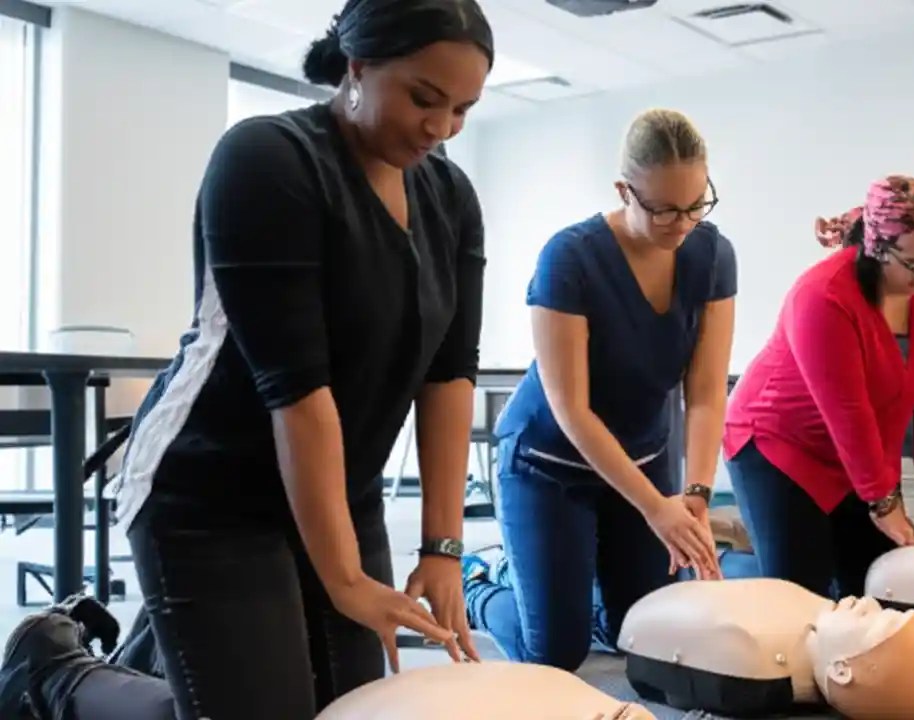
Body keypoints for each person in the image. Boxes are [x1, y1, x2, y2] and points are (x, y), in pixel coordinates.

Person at [0, 2, 494, 719]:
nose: (441, 127)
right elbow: (297, 392)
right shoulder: (268, 160)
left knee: (350, 711)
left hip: (340, 493)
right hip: (210, 493)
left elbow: (450, 372)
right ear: (355, 67)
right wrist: (347, 583)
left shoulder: (450, 196)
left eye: (462, 109)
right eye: (424, 98)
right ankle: (51, 672)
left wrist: (443, 545)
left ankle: (173, 648)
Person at [462, 108, 736, 671]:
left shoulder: (712, 253)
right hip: (548, 462)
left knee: (637, 633)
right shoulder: (570, 256)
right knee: (555, 653)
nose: (681, 224)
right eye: (663, 209)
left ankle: (565, 582)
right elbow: (571, 409)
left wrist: (697, 495)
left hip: (644, 458)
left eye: (694, 205)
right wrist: (657, 510)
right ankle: (481, 582)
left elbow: (706, 392)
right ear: (624, 190)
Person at [721, 176, 914, 599]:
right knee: (800, 598)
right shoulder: (822, 295)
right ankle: (722, 568)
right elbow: (848, 413)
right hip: (780, 444)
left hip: (858, 456)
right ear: (878, 248)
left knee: (880, 591)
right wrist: (884, 503)